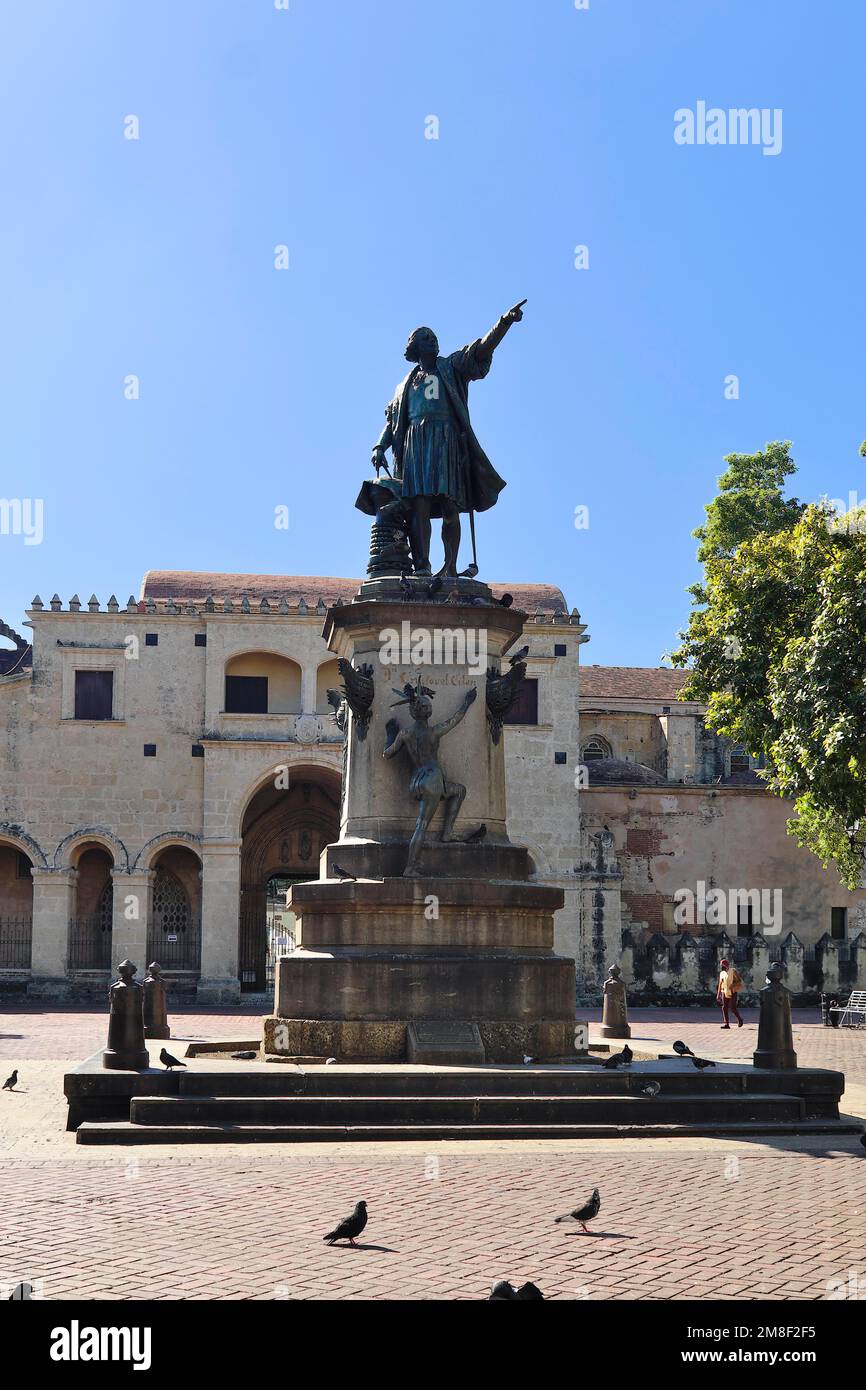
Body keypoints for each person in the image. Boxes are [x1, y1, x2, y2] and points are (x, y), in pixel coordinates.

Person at [370, 302, 526, 577]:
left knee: (450, 505)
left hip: (445, 440)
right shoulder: (404, 385)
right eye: (427, 338)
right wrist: (380, 446)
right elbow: (392, 420)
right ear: (415, 347)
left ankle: (450, 567)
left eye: (434, 336)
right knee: (419, 507)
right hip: (415, 444)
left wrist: (504, 323)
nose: (434, 340)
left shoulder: (451, 366)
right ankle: (422, 567)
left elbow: (481, 349)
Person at [717, 957, 744, 1028]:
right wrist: (718, 994)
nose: (722, 967)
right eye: (721, 965)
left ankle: (740, 1019)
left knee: (733, 1008)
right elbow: (720, 984)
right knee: (724, 1007)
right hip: (724, 991)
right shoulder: (722, 973)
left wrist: (733, 985)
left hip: (732, 991)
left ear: (727, 965)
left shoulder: (733, 971)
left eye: (723, 965)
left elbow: (739, 981)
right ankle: (726, 1024)